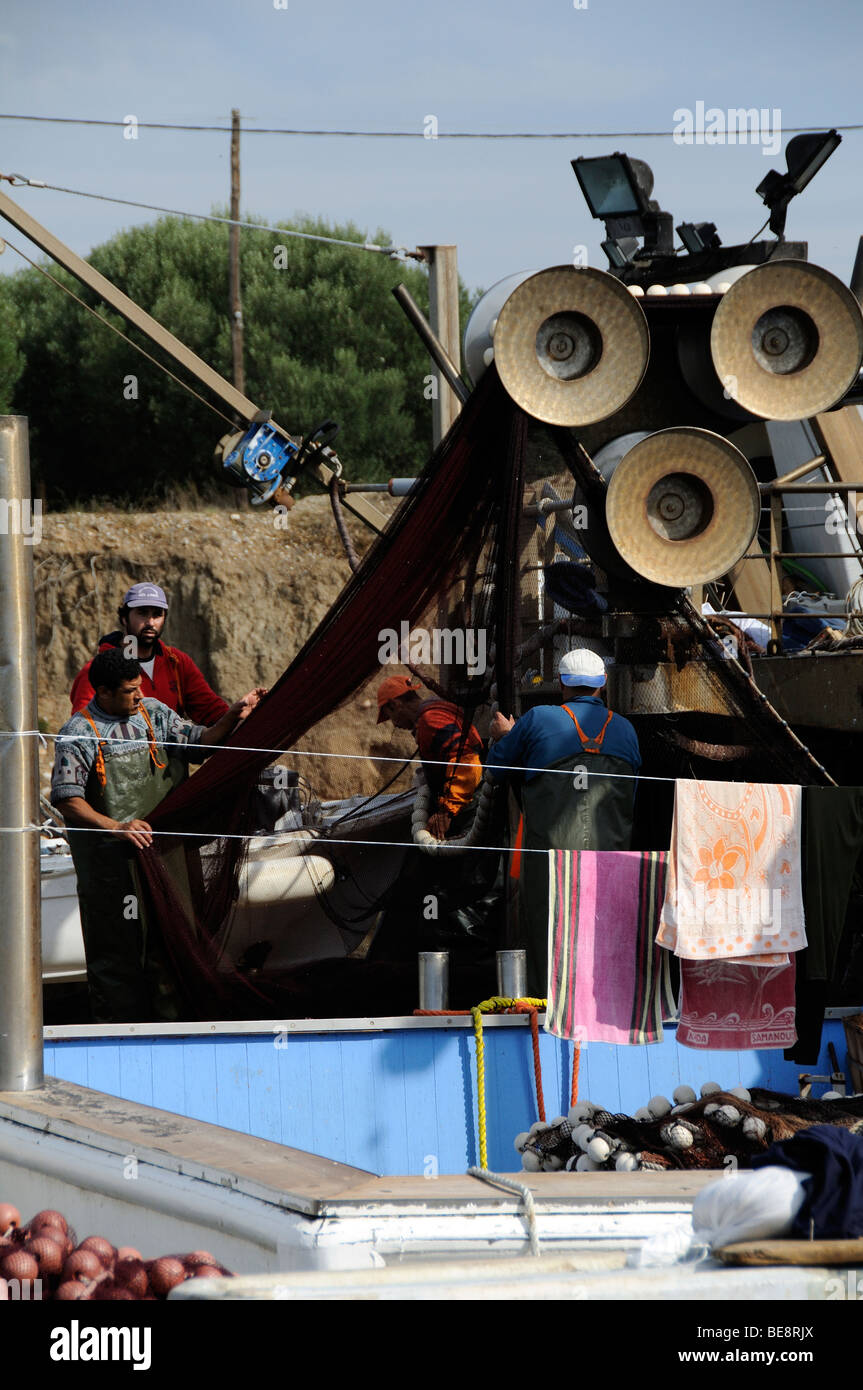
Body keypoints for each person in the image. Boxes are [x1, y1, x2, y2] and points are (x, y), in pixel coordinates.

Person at [51, 648, 266, 1023]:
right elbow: (68, 800)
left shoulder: (155, 713)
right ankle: (118, 1036)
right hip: (110, 868)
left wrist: (233, 715)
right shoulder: (78, 733)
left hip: (164, 859)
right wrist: (117, 826)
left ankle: (173, 1030)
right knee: (117, 955)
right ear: (102, 691)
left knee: (170, 945)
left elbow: (201, 743)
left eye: (139, 688)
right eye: (129, 691)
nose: (139, 696)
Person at [485, 648, 641, 995]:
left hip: (549, 868)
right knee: (604, 939)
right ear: (603, 684)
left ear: (561, 684)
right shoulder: (627, 731)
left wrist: (507, 735)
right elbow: (630, 802)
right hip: (612, 865)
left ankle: (549, 1010)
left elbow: (495, 768)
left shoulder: (538, 719)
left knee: (550, 939)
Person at [70, 582, 228, 723]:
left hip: (171, 754)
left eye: (157, 614)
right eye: (142, 613)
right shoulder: (98, 671)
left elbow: (211, 711)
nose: (150, 622)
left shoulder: (177, 662)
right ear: (124, 618)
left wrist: (238, 715)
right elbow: (83, 729)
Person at [375, 675, 483, 839]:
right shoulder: (434, 711)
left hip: (468, 808)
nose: (395, 724)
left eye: (390, 717)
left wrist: (446, 811)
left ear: (394, 705)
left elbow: (467, 762)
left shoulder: (431, 720)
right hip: (467, 803)